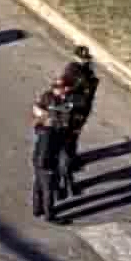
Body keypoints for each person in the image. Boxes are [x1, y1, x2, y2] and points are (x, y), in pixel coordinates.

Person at [31, 71, 78, 220]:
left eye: (60, 87)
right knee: (47, 184)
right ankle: (49, 213)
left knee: (43, 180)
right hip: (49, 153)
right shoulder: (49, 131)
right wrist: (44, 115)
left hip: (58, 143)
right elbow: (37, 110)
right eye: (56, 87)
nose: (57, 89)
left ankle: (39, 208)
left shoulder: (70, 100)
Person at [62, 49, 100, 192]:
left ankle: (70, 159)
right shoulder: (72, 72)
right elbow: (68, 93)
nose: (86, 61)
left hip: (80, 113)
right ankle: (67, 173)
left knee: (73, 138)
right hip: (72, 114)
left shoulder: (86, 72)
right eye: (83, 59)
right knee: (67, 143)